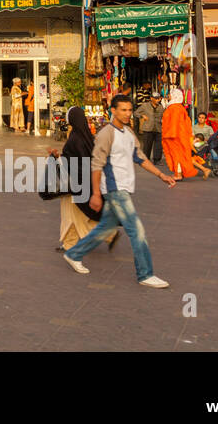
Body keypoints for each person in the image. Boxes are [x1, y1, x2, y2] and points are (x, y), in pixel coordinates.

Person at [62, 94, 176, 288]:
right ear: (113, 111)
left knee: (105, 228)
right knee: (136, 230)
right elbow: (96, 165)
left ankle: (73, 254)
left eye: (130, 110)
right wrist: (96, 193)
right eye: (123, 110)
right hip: (115, 190)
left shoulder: (128, 134)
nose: (127, 113)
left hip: (125, 187)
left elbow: (140, 158)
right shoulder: (106, 134)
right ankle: (145, 274)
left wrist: (161, 175)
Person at [48, 107, 119, 251]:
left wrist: (56, 158)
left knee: (74, 216)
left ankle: (108, 234)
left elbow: (72, 162)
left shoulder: (75, 138)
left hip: (74, 184)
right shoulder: (85, 136)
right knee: (75, 215)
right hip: (83, 183)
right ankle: (70, 243)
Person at [160, 90, 209, 180]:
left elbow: (174, 123)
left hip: (175, 136)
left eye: (170, 94)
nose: (168, 96)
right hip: (180, 135)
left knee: (177, 155)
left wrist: (171, 134)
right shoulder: (179, 107)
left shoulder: (174, 108)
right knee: (181, 155)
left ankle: (178, 174)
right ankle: (181, 173)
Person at [134, 90, 164, 164]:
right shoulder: (145, 105)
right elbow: (135, 113)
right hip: (148, 128)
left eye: (159, 98)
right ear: (151, 98)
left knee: (158, 145)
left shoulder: (161, 107)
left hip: (158, 128)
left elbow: (164, 116)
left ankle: (157, 160)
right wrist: (142, 116)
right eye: (156, 98)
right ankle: (146, 159)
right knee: (147, 145)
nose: (158, 100)